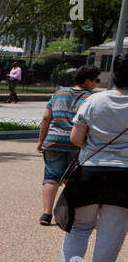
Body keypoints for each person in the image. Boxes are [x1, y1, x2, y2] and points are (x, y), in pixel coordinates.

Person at [47, 55, 128, 262]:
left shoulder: (94, 100)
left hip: (90, 171)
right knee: (111, 233)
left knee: (80, 226)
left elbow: (76, 139)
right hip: (124, 175)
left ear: (113, 73)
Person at [38, 66, 100, 226]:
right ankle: (70, 214)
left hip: (53, 140)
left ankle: (46, 214)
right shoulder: (91, 98)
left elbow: (46, 118)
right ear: (88, 81)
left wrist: (41, 140)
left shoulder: (58, 93)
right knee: (74, 180)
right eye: (96, 80)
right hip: (76, 143)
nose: (97, 83)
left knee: (51, 178)